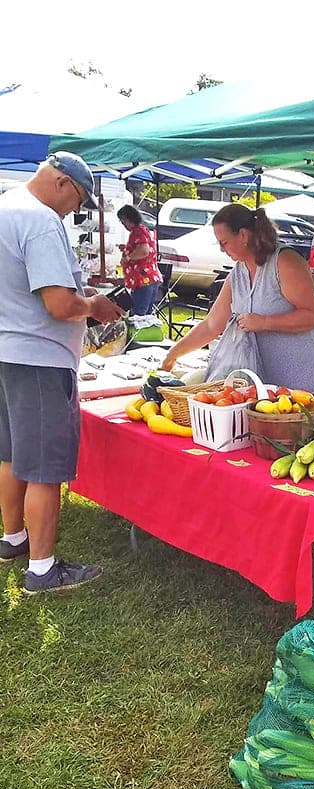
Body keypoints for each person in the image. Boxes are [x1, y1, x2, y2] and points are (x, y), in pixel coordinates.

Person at [0, 151, 125, 593]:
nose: (75, 210)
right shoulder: (40, 220)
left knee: (13, 454)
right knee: (45, 467)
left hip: (8, 352)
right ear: (63, 184)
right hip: (39, 358)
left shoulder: (7, 205)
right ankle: (43, 569)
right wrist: (92, 305)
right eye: (79, 200)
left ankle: (13, 537)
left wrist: (80, 294)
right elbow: (58, 305)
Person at [161, 204, 314, 392]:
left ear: (243, 236)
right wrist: (173, 355)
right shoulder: (238, 273)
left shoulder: (285, 262)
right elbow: (212, 324)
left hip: (309, 385)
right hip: (272, 389)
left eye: (224, 242)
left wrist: (264, 322)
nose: (222, 249)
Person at [117, 204, 163, 317]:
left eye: (123, 222)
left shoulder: (138, 231)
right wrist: (127, 247)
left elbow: (144, 251)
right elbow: (140, 247)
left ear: (128, 219)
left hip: (143, 279)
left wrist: (128, 257)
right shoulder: (142, 230)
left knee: (139, 315)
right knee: (146, 314)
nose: (123, 225)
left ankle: (138, 334)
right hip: (150, 278)